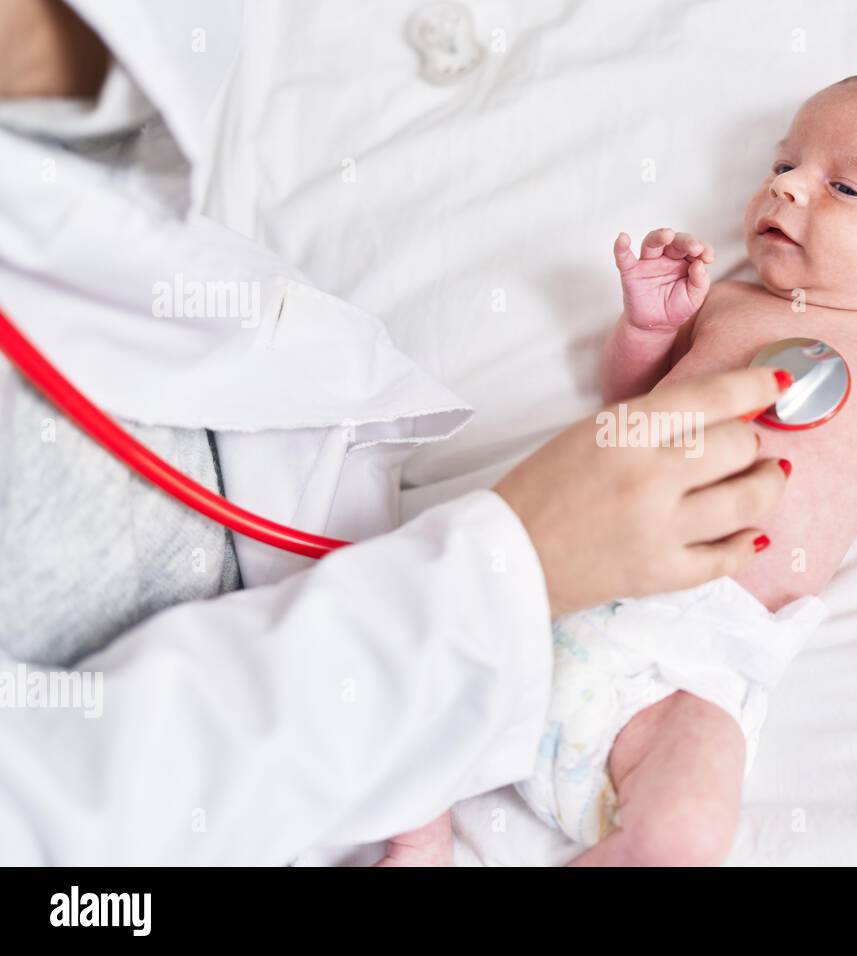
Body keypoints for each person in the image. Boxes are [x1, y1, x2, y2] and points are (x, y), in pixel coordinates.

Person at [0, 0, 791, 864]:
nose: (790, 188)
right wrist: (645, 337)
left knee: (682, 822)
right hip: (472, 626)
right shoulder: (739, 302)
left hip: (664, 628)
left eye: (848, 184)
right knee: (414, 789)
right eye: (791, 163)